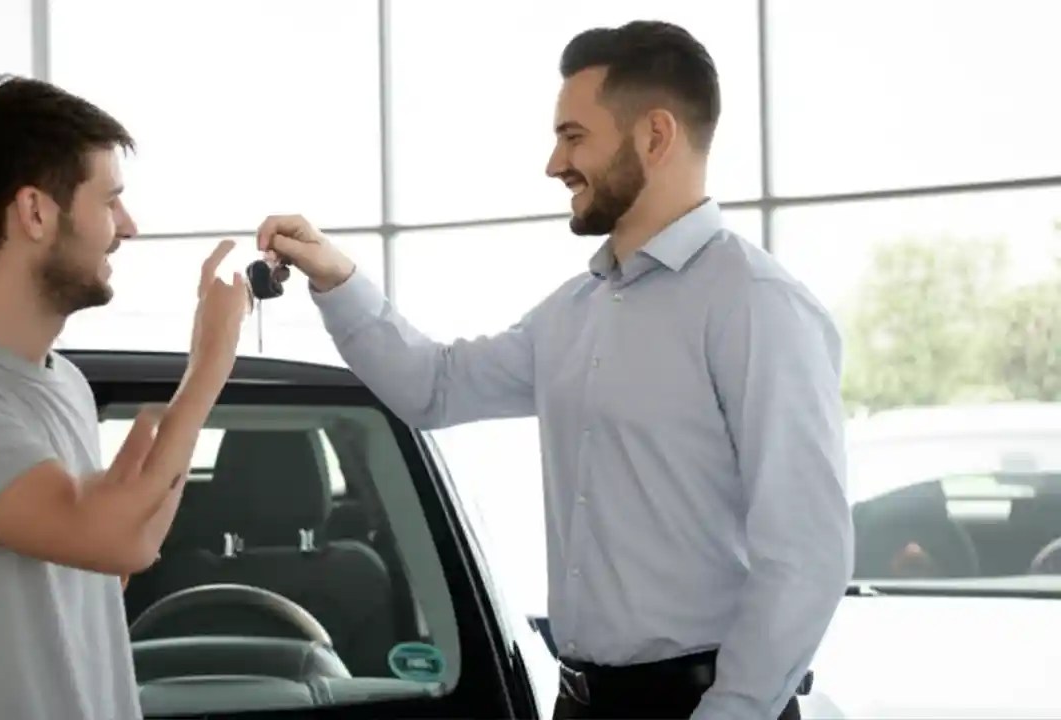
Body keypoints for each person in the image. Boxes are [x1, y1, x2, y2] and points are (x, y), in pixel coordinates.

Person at [256, 19, 852, 720]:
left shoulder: (758, 306)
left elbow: (807, 554)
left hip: (701, 705)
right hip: (580, 701)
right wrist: (336, 275)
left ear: (654, 136)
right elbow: (435, 387)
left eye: (574, 136)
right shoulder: (575, 312)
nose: (554, 164)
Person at [0, 75, 250, 720]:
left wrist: (195, 386)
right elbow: (115, 538)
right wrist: (208, 365)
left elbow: (116, 553)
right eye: (110, 201)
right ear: (35, 212)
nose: (127, 227)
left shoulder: (62, 381)